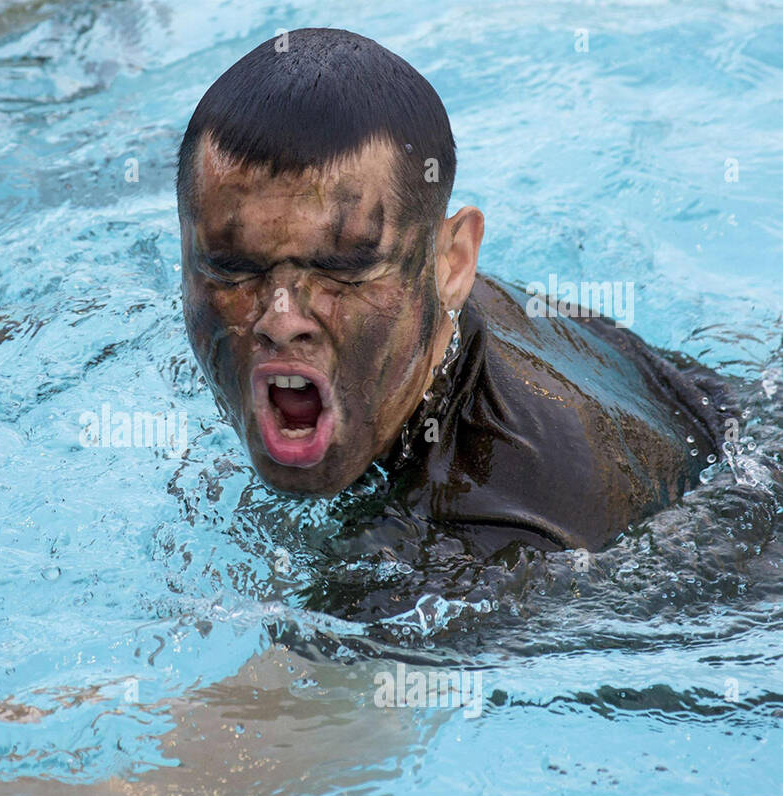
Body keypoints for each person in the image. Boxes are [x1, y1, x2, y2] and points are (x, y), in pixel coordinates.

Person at [177, 28, 735, 554]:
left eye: (343, 267)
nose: (281, 317)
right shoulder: (408, 299)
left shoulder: (502, 529)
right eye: (232, 266)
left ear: (453, 263)